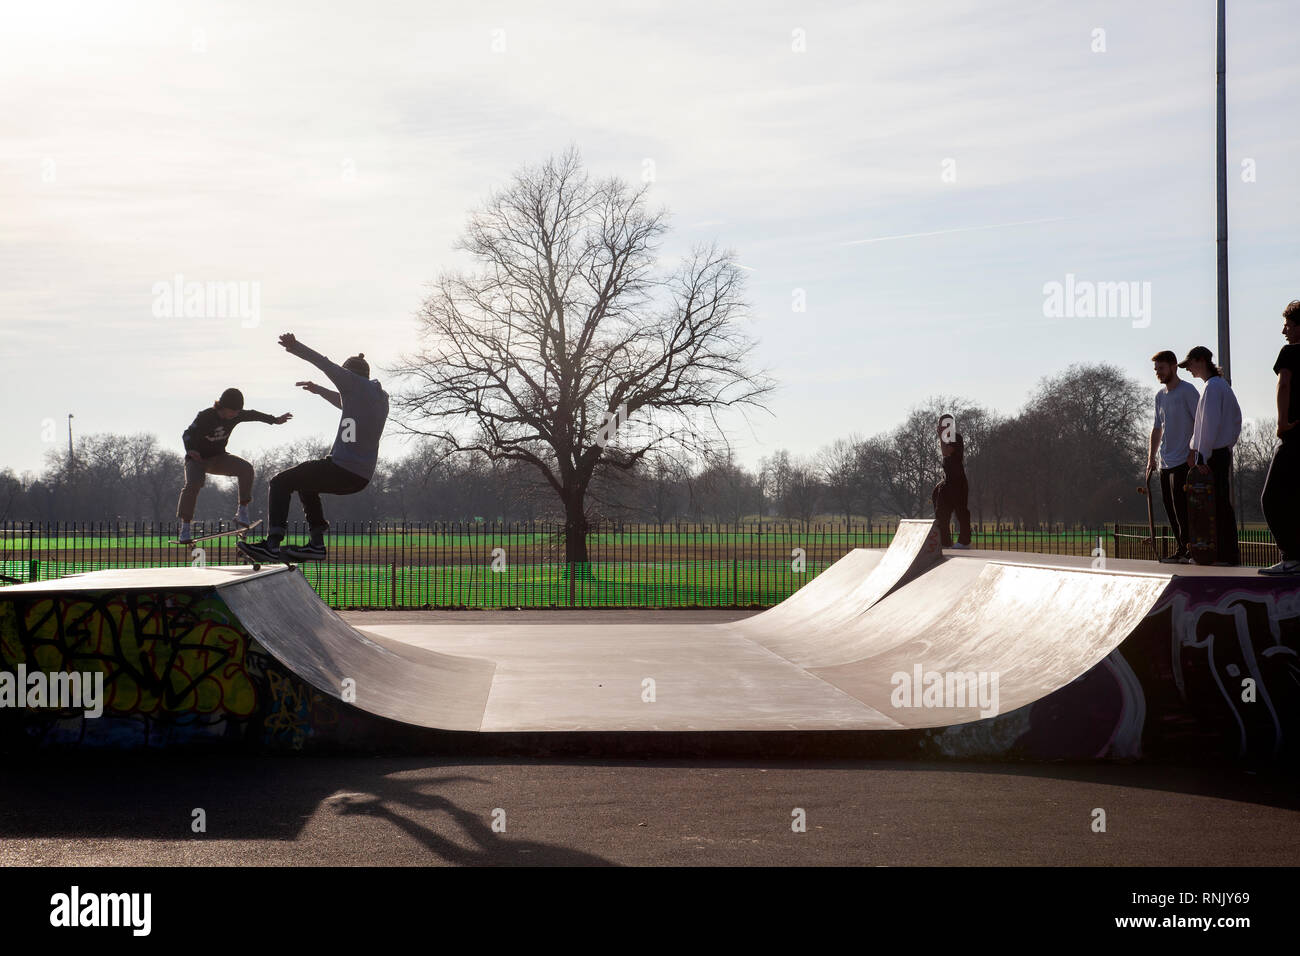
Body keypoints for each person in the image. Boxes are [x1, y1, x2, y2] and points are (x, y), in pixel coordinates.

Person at [239, 333, 388, 561]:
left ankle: (272, 543)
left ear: (349, 375)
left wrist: (295, 346)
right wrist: (319, 390)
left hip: (341, 468)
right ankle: (316, 544)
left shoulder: (350, 382)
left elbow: (324, 363)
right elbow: (344, 402)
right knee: (306, 484)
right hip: (360, 477)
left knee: (280, 482)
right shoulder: (378, 397)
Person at [175, 388, 291, 543]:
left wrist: (275, 420)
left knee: (246, 469)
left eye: (237, 412)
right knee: (193, 484)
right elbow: (187, 433)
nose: (234, 415)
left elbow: (253, 414)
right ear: (222, 406)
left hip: (219, 458)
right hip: (197, 459)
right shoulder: (205, 416)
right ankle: (185, 528)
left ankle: (242, 511)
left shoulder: (236, 415)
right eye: (232, 411)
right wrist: (191, 449)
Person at [1181, 346, 1242, 565]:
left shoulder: (1213, 388)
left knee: (1213, 505)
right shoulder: (1221, 386)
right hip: (1219, 451)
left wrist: (1201, 456)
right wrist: (1227, 445)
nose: (1188, 369)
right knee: (1221, 503)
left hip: (1212, 454)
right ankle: (1226, 553)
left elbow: (1208, 424)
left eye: (1189, 365)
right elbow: (1236, 421)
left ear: (1201, 360)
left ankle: (1222, 554)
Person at [1145, 350, 1200, 562]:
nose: (1158, 373)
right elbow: (1157, 429)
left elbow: (1200, 422)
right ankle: (1180, 549)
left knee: (1183, 508)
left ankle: (1190, 550)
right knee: (1170, 508)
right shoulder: (1160, 397)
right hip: (1165, 461)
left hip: (1183, 460)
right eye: (1156, 369)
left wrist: (1193, 451)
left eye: (1162, 368)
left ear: (1174, 366)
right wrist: (1151, 457)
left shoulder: (1188, 391)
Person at [1260, 300, 1300, 575]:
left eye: (1287, 325)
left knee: (1271, 497)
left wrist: (1282, 421)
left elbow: (1284, 383)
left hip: (1295, 434)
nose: (1284, 331)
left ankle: (1291, 557)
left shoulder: (1290, 353)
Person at [932, 414, 972, 549]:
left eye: (942, 425)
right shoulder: (945, 439)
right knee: (941, 513)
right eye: (939, 425)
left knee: (961, 512)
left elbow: (945, 452)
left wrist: (940, 437)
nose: (940, 427)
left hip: (958, 482)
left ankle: (964, 541)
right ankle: (945, 541)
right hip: (948, 482)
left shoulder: (956, 438)